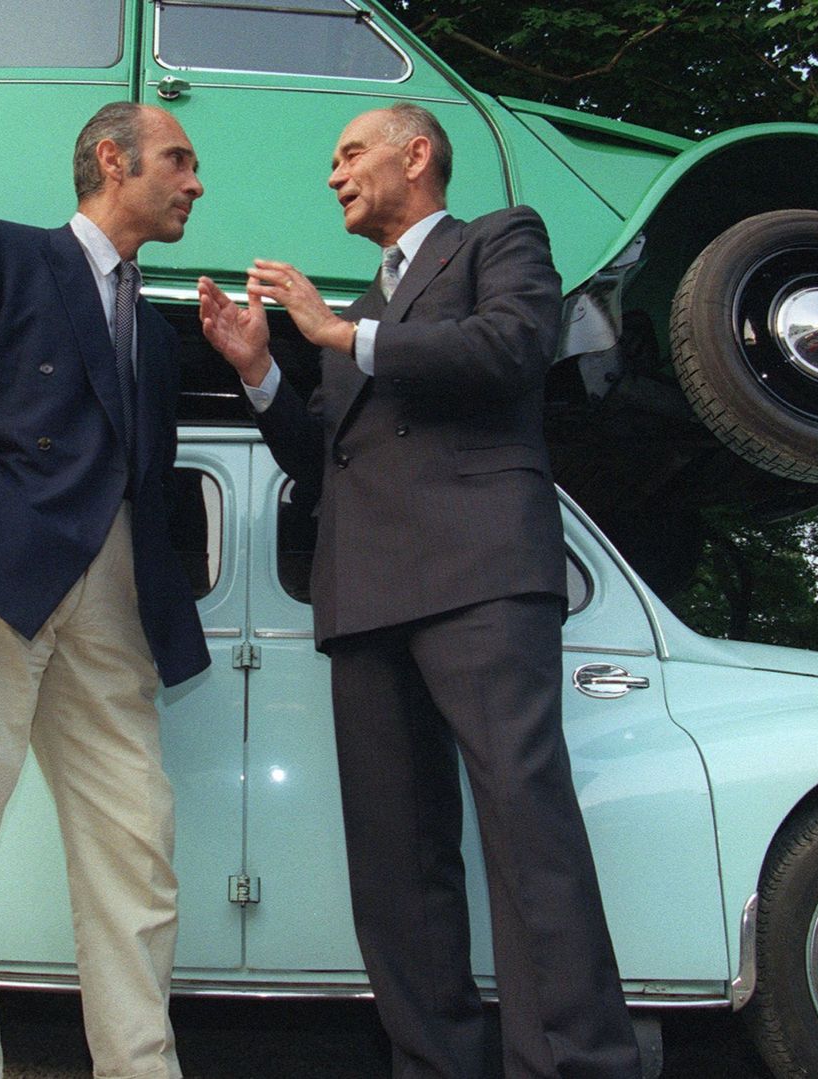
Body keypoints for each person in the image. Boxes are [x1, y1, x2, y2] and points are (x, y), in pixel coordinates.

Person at [197, 103, 640, 1078]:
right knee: (396, 864)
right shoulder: (358, 310)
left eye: (348, 152)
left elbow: (511, 349)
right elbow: (324, 460)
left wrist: (342, 334)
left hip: (480, 579)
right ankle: (436, 1061)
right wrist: (264, 366)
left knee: (528, 832)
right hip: (363, 597)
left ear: (417, 153)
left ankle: (573, 1062)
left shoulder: (500, 241)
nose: (334, 174)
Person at [0, 102, 210, 1079]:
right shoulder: (5, 253)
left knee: (136, 847)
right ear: (113, 160)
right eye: (180, 161)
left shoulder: (152, 325)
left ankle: (141, 1066)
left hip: (112, 598)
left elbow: (147, 477)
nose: (195, 183)